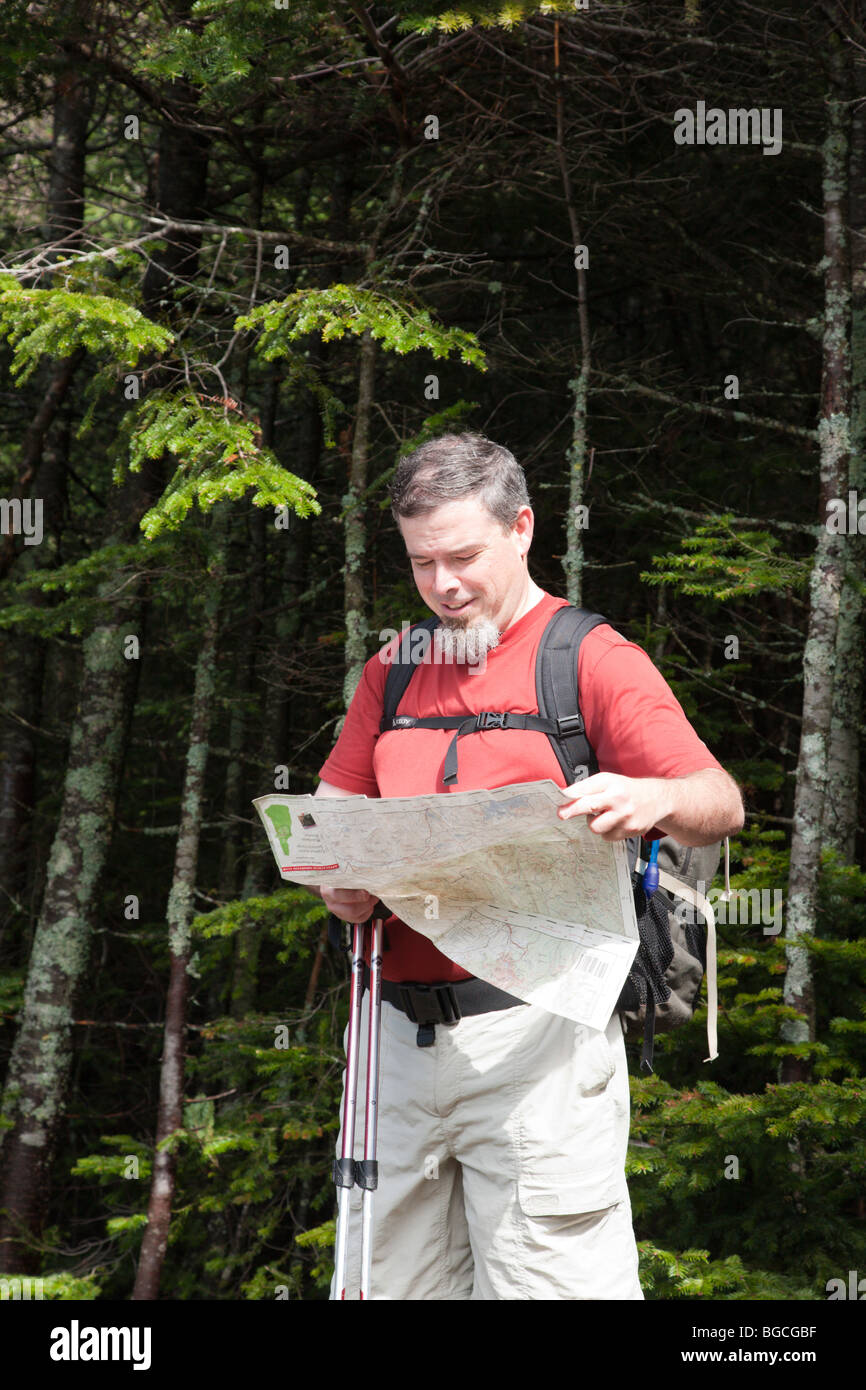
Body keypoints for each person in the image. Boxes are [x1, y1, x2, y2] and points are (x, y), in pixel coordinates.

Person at [313, 432, 744, 1301]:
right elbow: (329, 822)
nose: (443, 584)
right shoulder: (394, 669)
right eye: (421, 563)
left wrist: (653, 800)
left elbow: (719, 798)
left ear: (523, 529)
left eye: (463, 556)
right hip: (392, 1042)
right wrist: (340, 879)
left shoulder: (587, 657)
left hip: (542, 1036)